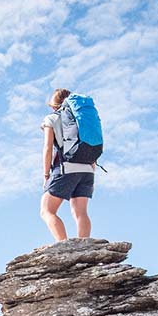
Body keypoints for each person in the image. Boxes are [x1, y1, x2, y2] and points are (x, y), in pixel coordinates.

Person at [39, 88, 94, 241]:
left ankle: (64, 247)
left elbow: (48, 147)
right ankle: (85, 248)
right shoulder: (81, 120)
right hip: (88, 169)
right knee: (80, 212)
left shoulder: (52, 118)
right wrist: (91, 169)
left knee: (46, 210)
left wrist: (46, 175)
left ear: (53, 105)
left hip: (65, 168)